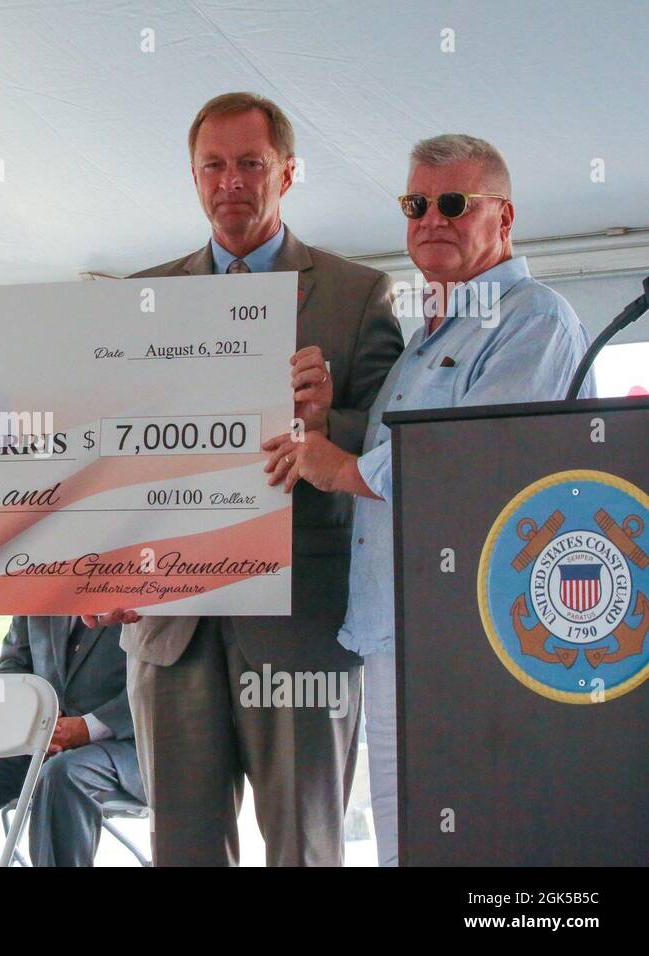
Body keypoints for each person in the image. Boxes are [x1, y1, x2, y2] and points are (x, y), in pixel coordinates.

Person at [262, 133, 595, 865]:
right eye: (417, 204)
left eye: (454, 203)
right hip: (397, 633)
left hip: (474, 641)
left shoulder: (531, 318)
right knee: (408, 844)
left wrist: (338, 467)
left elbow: (483, 464)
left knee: (483, 850)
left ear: (503, 219)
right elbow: (398, 460)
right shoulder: (426, 339)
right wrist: (316, 426)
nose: (432, 219)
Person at [92, 92, 404, 866]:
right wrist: (92, 564)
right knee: (185, 848)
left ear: (288, 173)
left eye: (251, 164)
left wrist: (331, 421)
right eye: (215, 165)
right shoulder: (137, 299)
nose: (232, 181)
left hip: (300, 621)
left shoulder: (357, 293)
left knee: (304, 844)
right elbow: (103, 457)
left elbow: (402, 444)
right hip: (171, 627)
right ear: (194, 176)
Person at [0, 616, 143, 866]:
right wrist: (29, 718)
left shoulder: (141, 587)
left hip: (130, 746)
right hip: (41, 742)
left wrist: (89, 727)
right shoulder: (39, 589)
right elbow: (11, 667)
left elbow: (161, 678)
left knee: (63, 774)